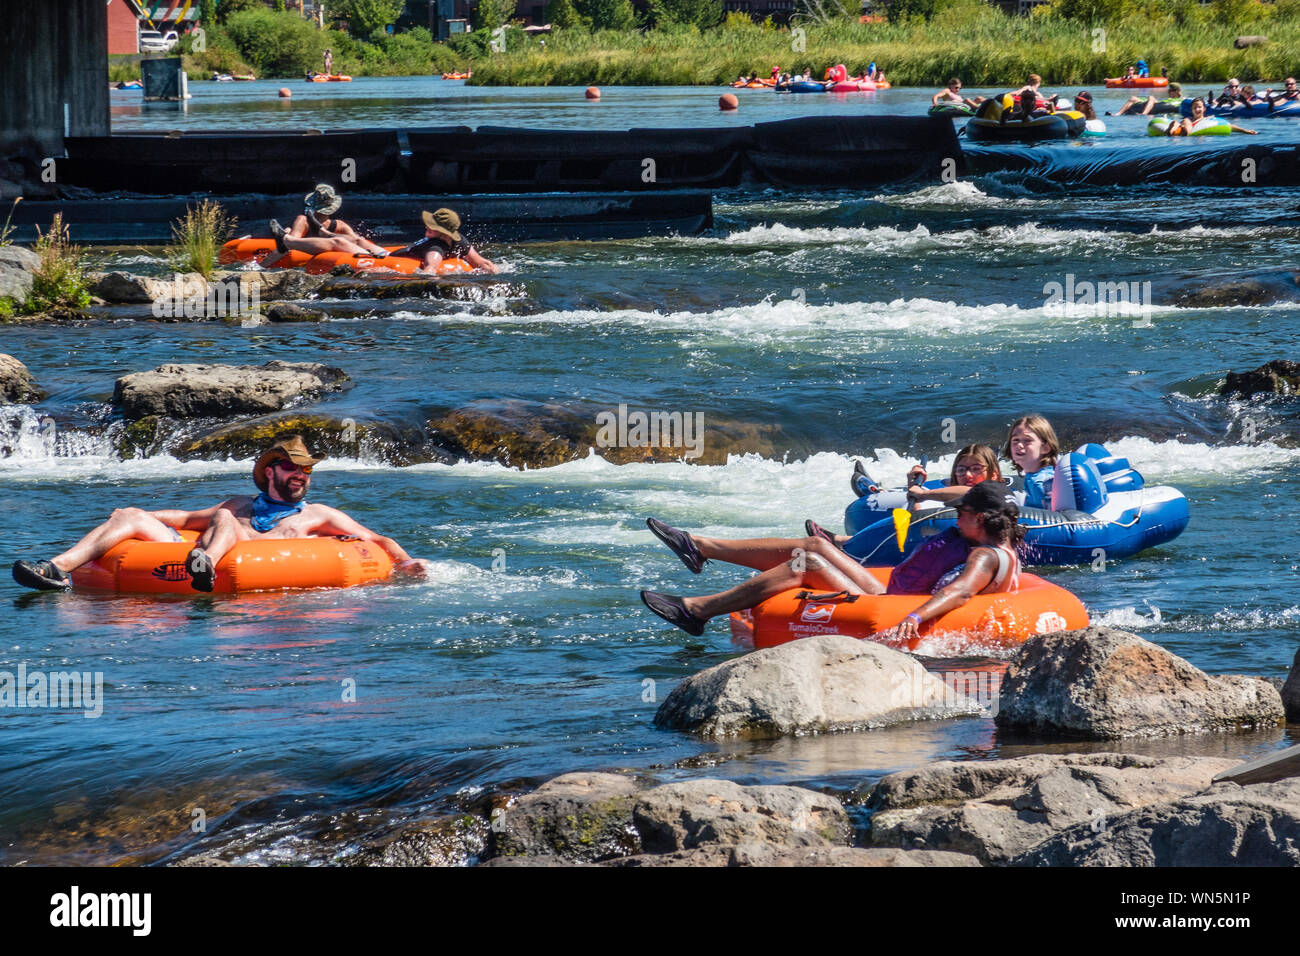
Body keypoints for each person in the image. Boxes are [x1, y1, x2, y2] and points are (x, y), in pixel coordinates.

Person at [12, 434, 426, 593]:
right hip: (205, 548)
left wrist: (405, 562)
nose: (300, 474)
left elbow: (377, 540)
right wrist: (134, 513)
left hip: (258, 556)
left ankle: (203, 563)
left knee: (224, 522)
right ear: (270, 471)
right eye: (291, 467)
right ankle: (55, 568)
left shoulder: (317, 513)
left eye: (305, 469)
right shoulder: (238, 503)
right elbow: (182, 519)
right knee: (143, 515)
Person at [639, 481, 1023, 643]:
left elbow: (958, 592)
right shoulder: (1002, 545)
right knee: (815, 545)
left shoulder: (984, 556)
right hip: (894, 592)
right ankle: (701, 546)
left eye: (964, 513)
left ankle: (698, 610)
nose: (957, 518)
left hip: (894, 607)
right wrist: (925, 491)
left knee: (805, 561)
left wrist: (914, 618)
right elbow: (992, 494)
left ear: (982, 520)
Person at [267, 184, 390, 261]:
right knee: (356, 239)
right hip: (318, 251)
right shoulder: (338, 225)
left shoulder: (336, 225)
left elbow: (285, 250)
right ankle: (322, 233)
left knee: (354, 240)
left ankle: (321, 233)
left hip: (339, 252)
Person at [392, 208, 497, 274]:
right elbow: (485, 264)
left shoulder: (436, 247)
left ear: (444, 232)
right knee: (378, 251)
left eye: (432, 226)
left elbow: (431, 268)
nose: (426, 226)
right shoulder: (457, 240)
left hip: (399, 255)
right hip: (397, 255)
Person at [1004, 414, 1059, 508]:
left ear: (1045, 448)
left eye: (1027, 440)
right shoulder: (1034, 476)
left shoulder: (1043, 483)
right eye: (1016, 440)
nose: (1019, 445)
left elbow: (1052, 519)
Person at [1171, 97, 1257, 135]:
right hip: (1186, 126)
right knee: (1182, 121)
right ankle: (1174, 130)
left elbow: (1228, 125)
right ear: (1191, 110)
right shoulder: (1188, 119)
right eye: (1194, 108)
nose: (1197, 109)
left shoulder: (1209, 119)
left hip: (1196, 129)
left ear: (1204, 109)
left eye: (1199, 107)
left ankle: (1186, 132)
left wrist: (1245, 131)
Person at [1114, 81, 1182, 116]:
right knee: (1133, 98)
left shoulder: (1181, 99)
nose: (1168, 92)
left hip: (1158, 104)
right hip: (1159, 103)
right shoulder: (1169, 98)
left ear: (1176, 91)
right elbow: (1162, 102)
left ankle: (1144, 113)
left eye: (1170, 91)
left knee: (1151, 97)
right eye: (1168, 91)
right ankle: (1118, 114)